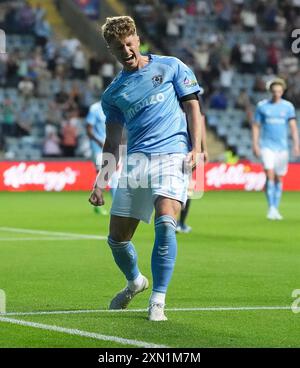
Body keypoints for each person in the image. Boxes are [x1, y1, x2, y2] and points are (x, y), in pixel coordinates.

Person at [88, 16, 203, 321]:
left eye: (129, 43)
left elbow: (192, 105)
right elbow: (112, 142)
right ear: (111, 51)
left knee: (166, 222)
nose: (126, 50)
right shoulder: (113, 95)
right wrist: (100, 181)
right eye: (118, 46)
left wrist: (197, 147)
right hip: (137, 162)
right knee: (117, 239)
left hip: (173, 154)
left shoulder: (171, 66)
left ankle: (158, 300)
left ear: (137, 39)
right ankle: (135, 282)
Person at [252, 78, 299, 220]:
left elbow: (292, 126)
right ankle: (271, 207)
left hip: (282, 147)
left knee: (279, 177)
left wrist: (296, 144)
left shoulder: (288, 107)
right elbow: (256, 126)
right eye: (274, 91)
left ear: (282, 91)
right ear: (270, 91)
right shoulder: (262, 106)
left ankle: (275, 207)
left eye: (279, 91)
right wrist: (255, 144)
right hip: (267, 146)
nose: (277, 94)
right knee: (269, 173)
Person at [176, 111, 209, 233]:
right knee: (186, 185)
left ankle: (175, 222)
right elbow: (201, 124)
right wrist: (203, 149)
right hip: (188, 148)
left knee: (181, 185)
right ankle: (180, 223)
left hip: (175, 148)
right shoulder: (194, 101)